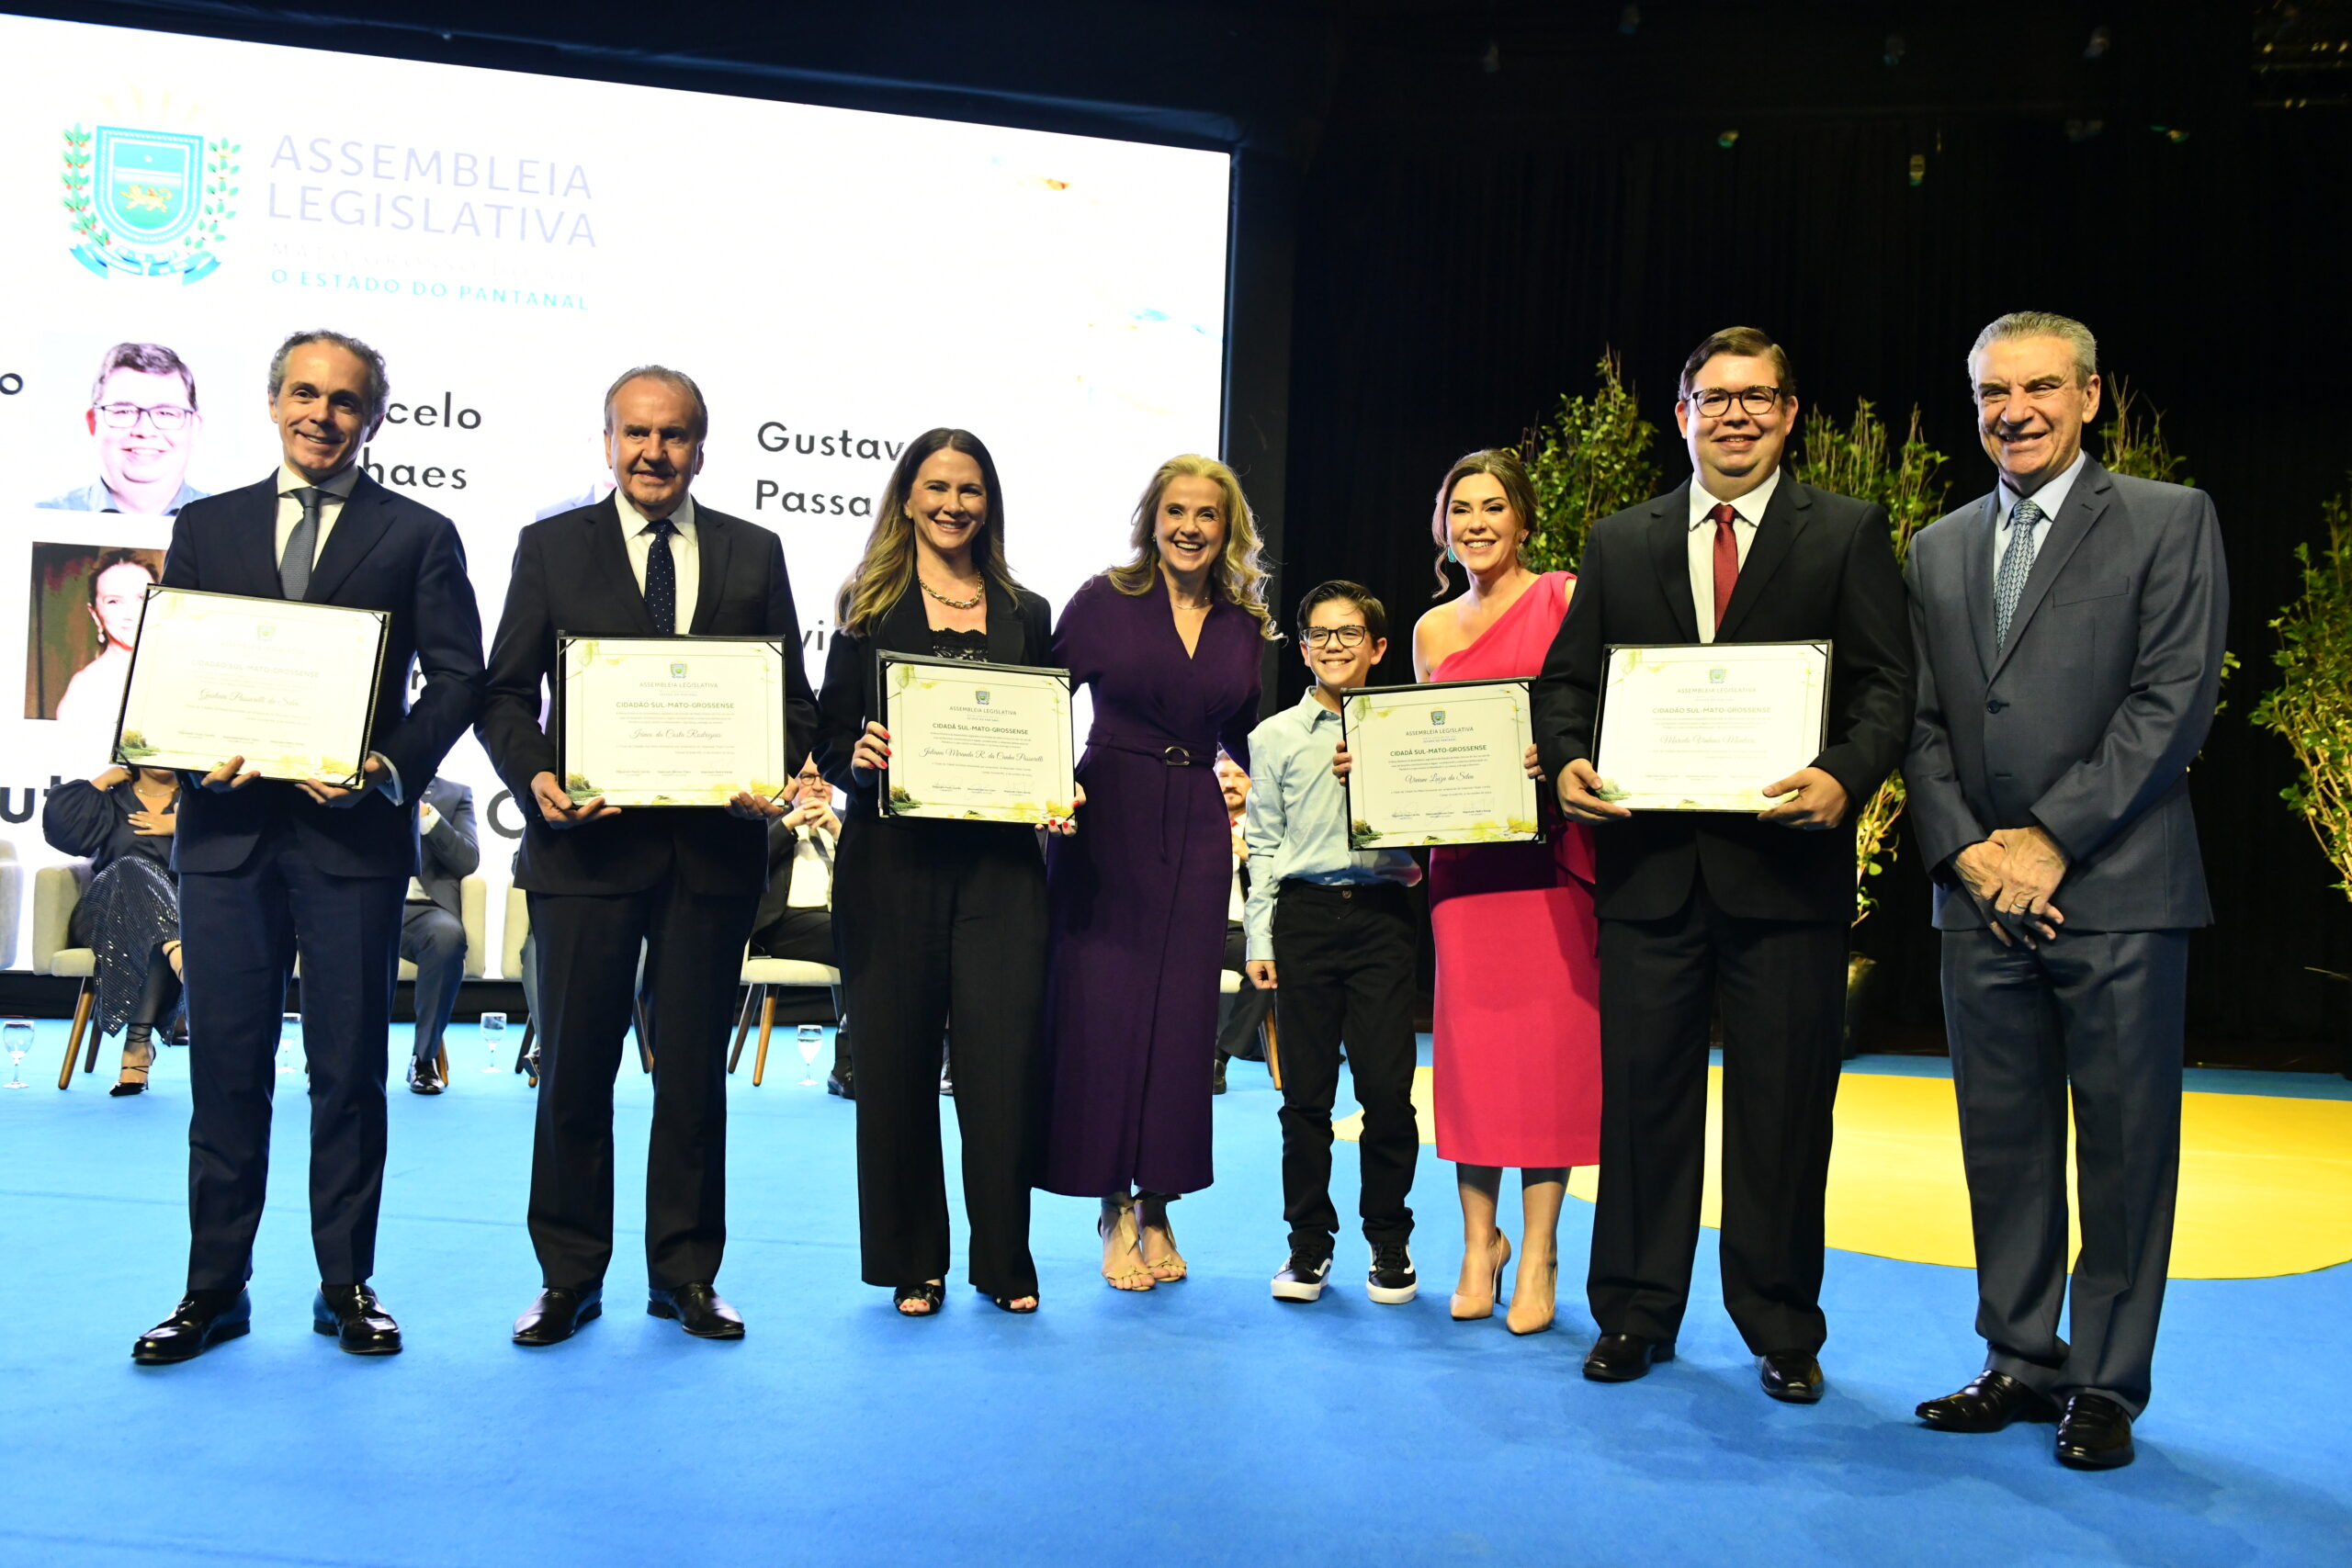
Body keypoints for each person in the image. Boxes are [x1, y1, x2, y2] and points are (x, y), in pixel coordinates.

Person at [1534, 327, 1912, 1402]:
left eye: (1758, 398)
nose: (1736, 415)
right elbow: (1567, 687)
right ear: (1682, 412)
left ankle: (1782, 1326)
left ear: (1791, 413)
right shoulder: (1619, 540)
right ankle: (1636, 1315)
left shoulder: (1844, 532)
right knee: (1642, 1106)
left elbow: (1889, 685)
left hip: (1787, 877)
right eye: (1715, 397)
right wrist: (1564, 761)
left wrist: (1847, 773)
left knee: (1786, 1112)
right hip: (1651, 875)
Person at [1905, 311, 2228, 1471]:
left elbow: (2172, 700)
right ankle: (2018, 1358)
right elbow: (1926, 724)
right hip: (1977, 900)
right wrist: (1968, 854)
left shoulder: (2165, 519)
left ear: (2091, 397)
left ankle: (2105, 1383)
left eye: (2040, 388)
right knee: (2002, 1141)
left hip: (2119, 890)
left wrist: (2047, 839)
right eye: (1994, 391)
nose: (2015, 411)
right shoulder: (1936, 546)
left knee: (2127, 1147)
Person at [131, 329, 485, 1364]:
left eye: (343, 401)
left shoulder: (419, 533)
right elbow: (179, 670)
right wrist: (192, 757)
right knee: (226, 1072)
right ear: (272, 401)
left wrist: (382, 767)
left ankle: (345, 1286)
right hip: (229, 840)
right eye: (303, 394)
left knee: (347, 1074)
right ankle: (212, 1292)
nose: (320, 415)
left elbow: (458, 680)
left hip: (350, 843)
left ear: (372, 417)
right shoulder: (206, 525)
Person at [478, 365, 815, 1348]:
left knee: (693, 1082)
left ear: (700, 446)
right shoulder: (549, 548)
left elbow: (788, 697)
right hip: (584, 853)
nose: (652, 453)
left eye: (672, 436)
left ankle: (687, 1277)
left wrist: (774, 767)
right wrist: (536, 775)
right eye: (635, 433)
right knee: (574, 1074)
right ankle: (568, 1278)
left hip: (710, 857)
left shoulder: (755, 550)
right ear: (608, 439)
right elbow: (505, 694)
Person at [817, 427, 1069, 1317]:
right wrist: (861, 751)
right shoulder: (866, 602)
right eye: (936, 487)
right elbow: (828, 734)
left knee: (1002, 1071)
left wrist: (1055, 786)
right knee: (894, 1066)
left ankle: (1005, 1263)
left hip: (1001, 871)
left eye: (969, 489)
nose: (953, 504)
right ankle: (910, 1260)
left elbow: (1041, 731)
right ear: (906, 496)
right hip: (890, 864)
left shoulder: (1026, 610)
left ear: (988, 501)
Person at [1038, 454, 1272, 1290]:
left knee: (1179, 1025)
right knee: (1104, 1017)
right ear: (1150, 518)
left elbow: (1252, 734)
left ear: (1227, 528)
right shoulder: (1103, 599)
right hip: (1107, 820)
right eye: (1175, 510)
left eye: (1207, 514)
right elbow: (1039, 700)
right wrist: (1037, 780)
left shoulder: (1244, 621)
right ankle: (1110, 1206)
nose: (1189, 527)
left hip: (1200, 829)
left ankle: (1160, 1204)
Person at [1408, 449, 1599, 1336]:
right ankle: (1478, 1244)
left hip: (1547, 863)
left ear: (1523, 519)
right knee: (1474, 1060)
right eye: (1461, 508)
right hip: (1465, 873)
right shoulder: (1431, 631)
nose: (1477, 522)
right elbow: (1414, 742)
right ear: (1444, 525)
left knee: (1549, 1059)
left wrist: (1554, 749)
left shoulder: (1564, 596)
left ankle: (1545, 1247)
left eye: (1494, 506)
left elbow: (1596, 711)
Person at [1246, 581, 1423, 1304]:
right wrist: (1261, 934)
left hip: (1384, 916)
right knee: (1306, 1098)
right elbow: (1263, 841)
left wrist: (1389, 772)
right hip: (1305, 918)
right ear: (1303, 646)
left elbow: (1442, 821)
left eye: (1350, 633)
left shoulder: (1413, 726)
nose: (1334, 646)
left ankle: (1390, 1239)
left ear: (1379, 647)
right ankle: (1308, 1247)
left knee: (1387, 1092)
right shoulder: (1275, 737)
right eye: (1319, 634)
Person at [42, 761, 184, 1094]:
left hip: (172, 915)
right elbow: (63, 832)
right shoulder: (112, 797)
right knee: (130, 867)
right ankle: (180, 954)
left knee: (153, 932)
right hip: (103, 913)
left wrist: (184, 827)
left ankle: (137, 1047)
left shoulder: (198, 802)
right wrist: (101, 782)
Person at [748, 756, 850, 1096]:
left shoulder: (848, 825)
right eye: (808, 777)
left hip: (837, 917)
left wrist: (838, 830)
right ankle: (848, 1065)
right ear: (790, 782)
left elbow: (880, 876)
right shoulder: (767, 819)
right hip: (784, 924)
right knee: (859, 938)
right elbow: (748, 867)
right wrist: (789, 822)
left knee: (869, 937)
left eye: (826, 778)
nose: (818, 786)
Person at [41, 342, 209, 513]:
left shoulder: (232, 526)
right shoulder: (38, 521)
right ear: (93, 423)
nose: (145, 431)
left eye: (166, 413)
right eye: (124, 411)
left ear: (194, 427)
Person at [399, 777, 478, 1096]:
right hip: (365, 900)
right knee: (333, 931)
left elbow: (467, 860)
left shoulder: (455, 794)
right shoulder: (355, 784)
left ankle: (424, 1059)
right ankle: (331, 1062)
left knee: (447, 937)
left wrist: (428, 816)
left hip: (422, 911)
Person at [1212, 751, 1272, 1093]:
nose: (1230, 784)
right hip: (1196, 930)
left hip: (1245, 930)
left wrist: (1247, 851)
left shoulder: (1266, 828)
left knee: (1268, 970)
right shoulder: (1194, 825)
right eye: (1223, 776)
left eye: (1239, 776)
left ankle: (1219, 1056)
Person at [53, 549, 158, 728]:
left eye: (142, 597)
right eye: (114, 601)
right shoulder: (84, 691)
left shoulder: (183, 669)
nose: (132, 613)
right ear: (95, 614)